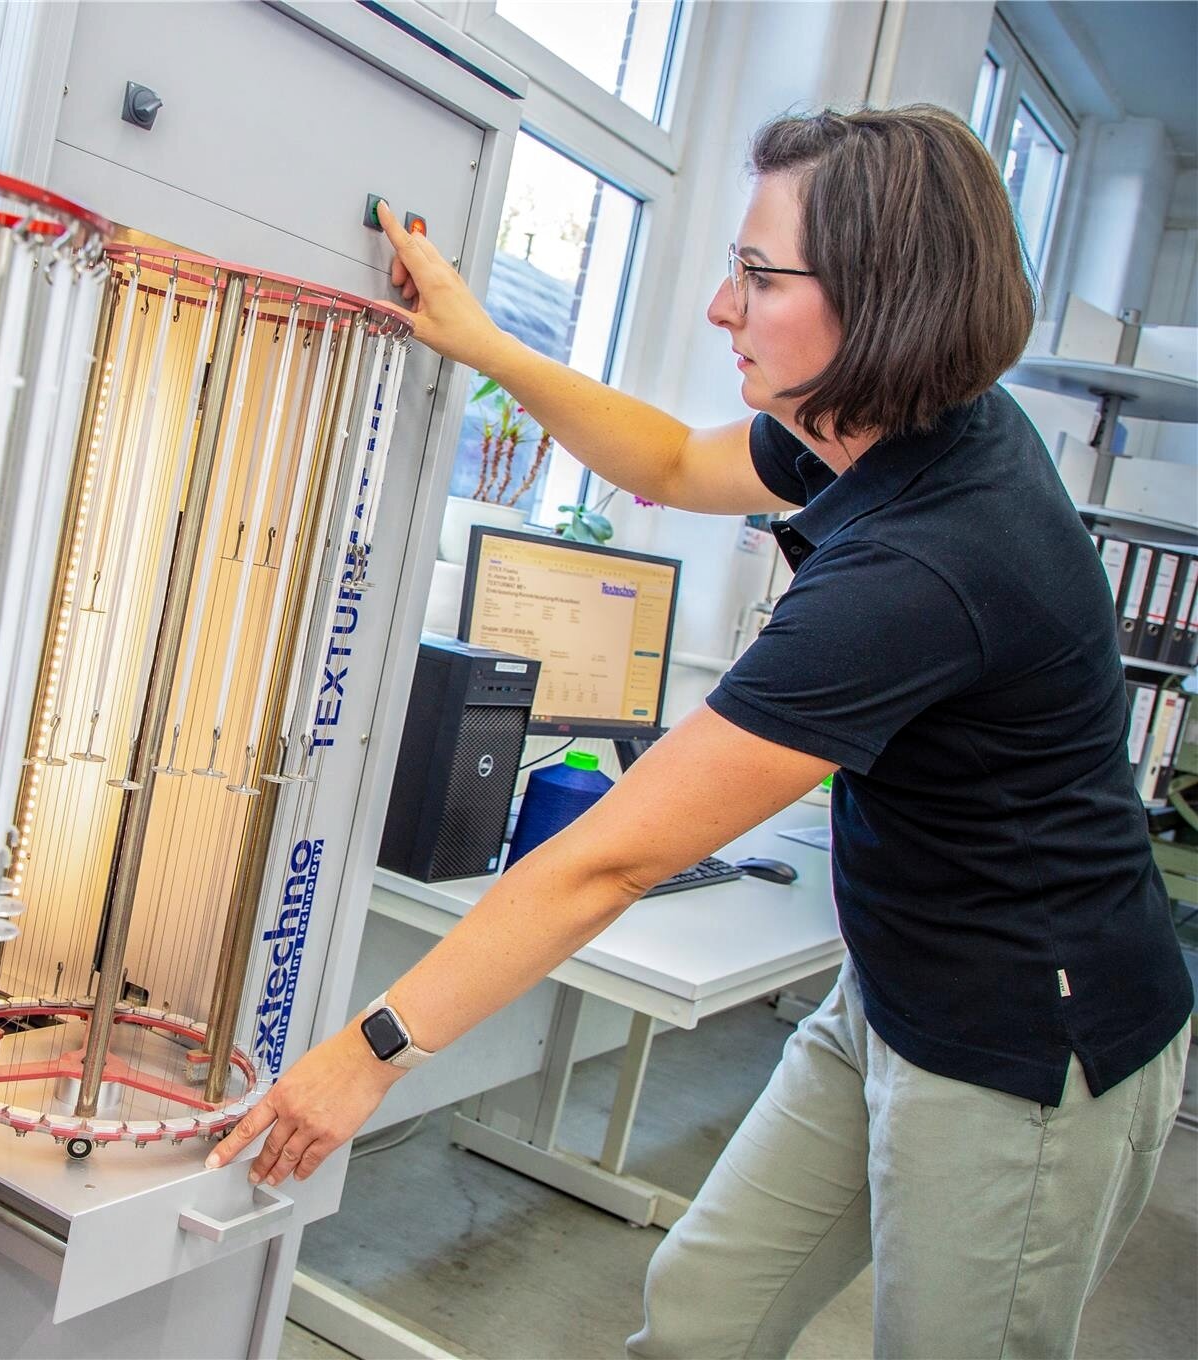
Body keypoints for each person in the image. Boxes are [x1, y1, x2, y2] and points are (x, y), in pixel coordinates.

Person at [205, 105, 1192, 1356]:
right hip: (893, 988)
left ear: (883, 304)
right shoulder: (877, 424)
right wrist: (486, 341)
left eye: (760, 277)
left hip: (1028, 1044)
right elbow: (671, 461)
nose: (723, 307)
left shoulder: (925, 565)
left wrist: (370, 1049)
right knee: (701, 1312)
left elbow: (611, 858)